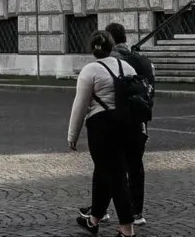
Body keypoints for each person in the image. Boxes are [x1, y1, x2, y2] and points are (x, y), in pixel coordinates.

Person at [66, 31, 143, 236]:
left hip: (102, 127)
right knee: (104, 173)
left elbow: (80, 105)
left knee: (115, 176)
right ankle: (93, 220)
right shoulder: (126, 66)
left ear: (92, 49)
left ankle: (127, 230)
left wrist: (72, 135)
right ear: (112, 46)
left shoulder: (90, 70)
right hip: (128, 125)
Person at [81, 24, 154, 229]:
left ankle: (119, 221)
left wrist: (73, 133)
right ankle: (127, 212)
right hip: (138, 120)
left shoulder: (116, 64)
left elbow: (84, 103)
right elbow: (148, 90)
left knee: (113, 172)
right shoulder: (142, 60)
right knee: (133, 167)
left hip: (113, 124)